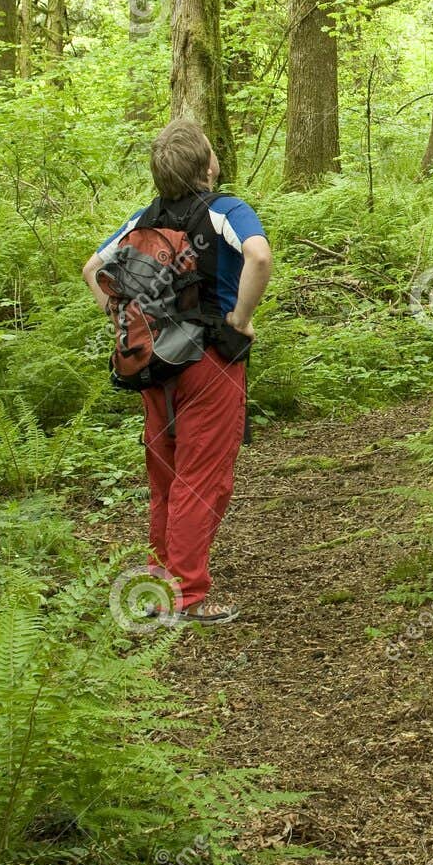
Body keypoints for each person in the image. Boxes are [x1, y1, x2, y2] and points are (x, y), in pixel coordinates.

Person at [82, 121, 273, 624]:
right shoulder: (227, 210)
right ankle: (187, 595)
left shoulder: (143, 218)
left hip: (154, 366)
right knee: (202, 480)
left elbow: (91, 269)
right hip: (210, 365)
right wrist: (241, 318)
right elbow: (258, 256)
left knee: (166, 477)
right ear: (206, 165)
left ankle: (159, 584)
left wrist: (124, 320)